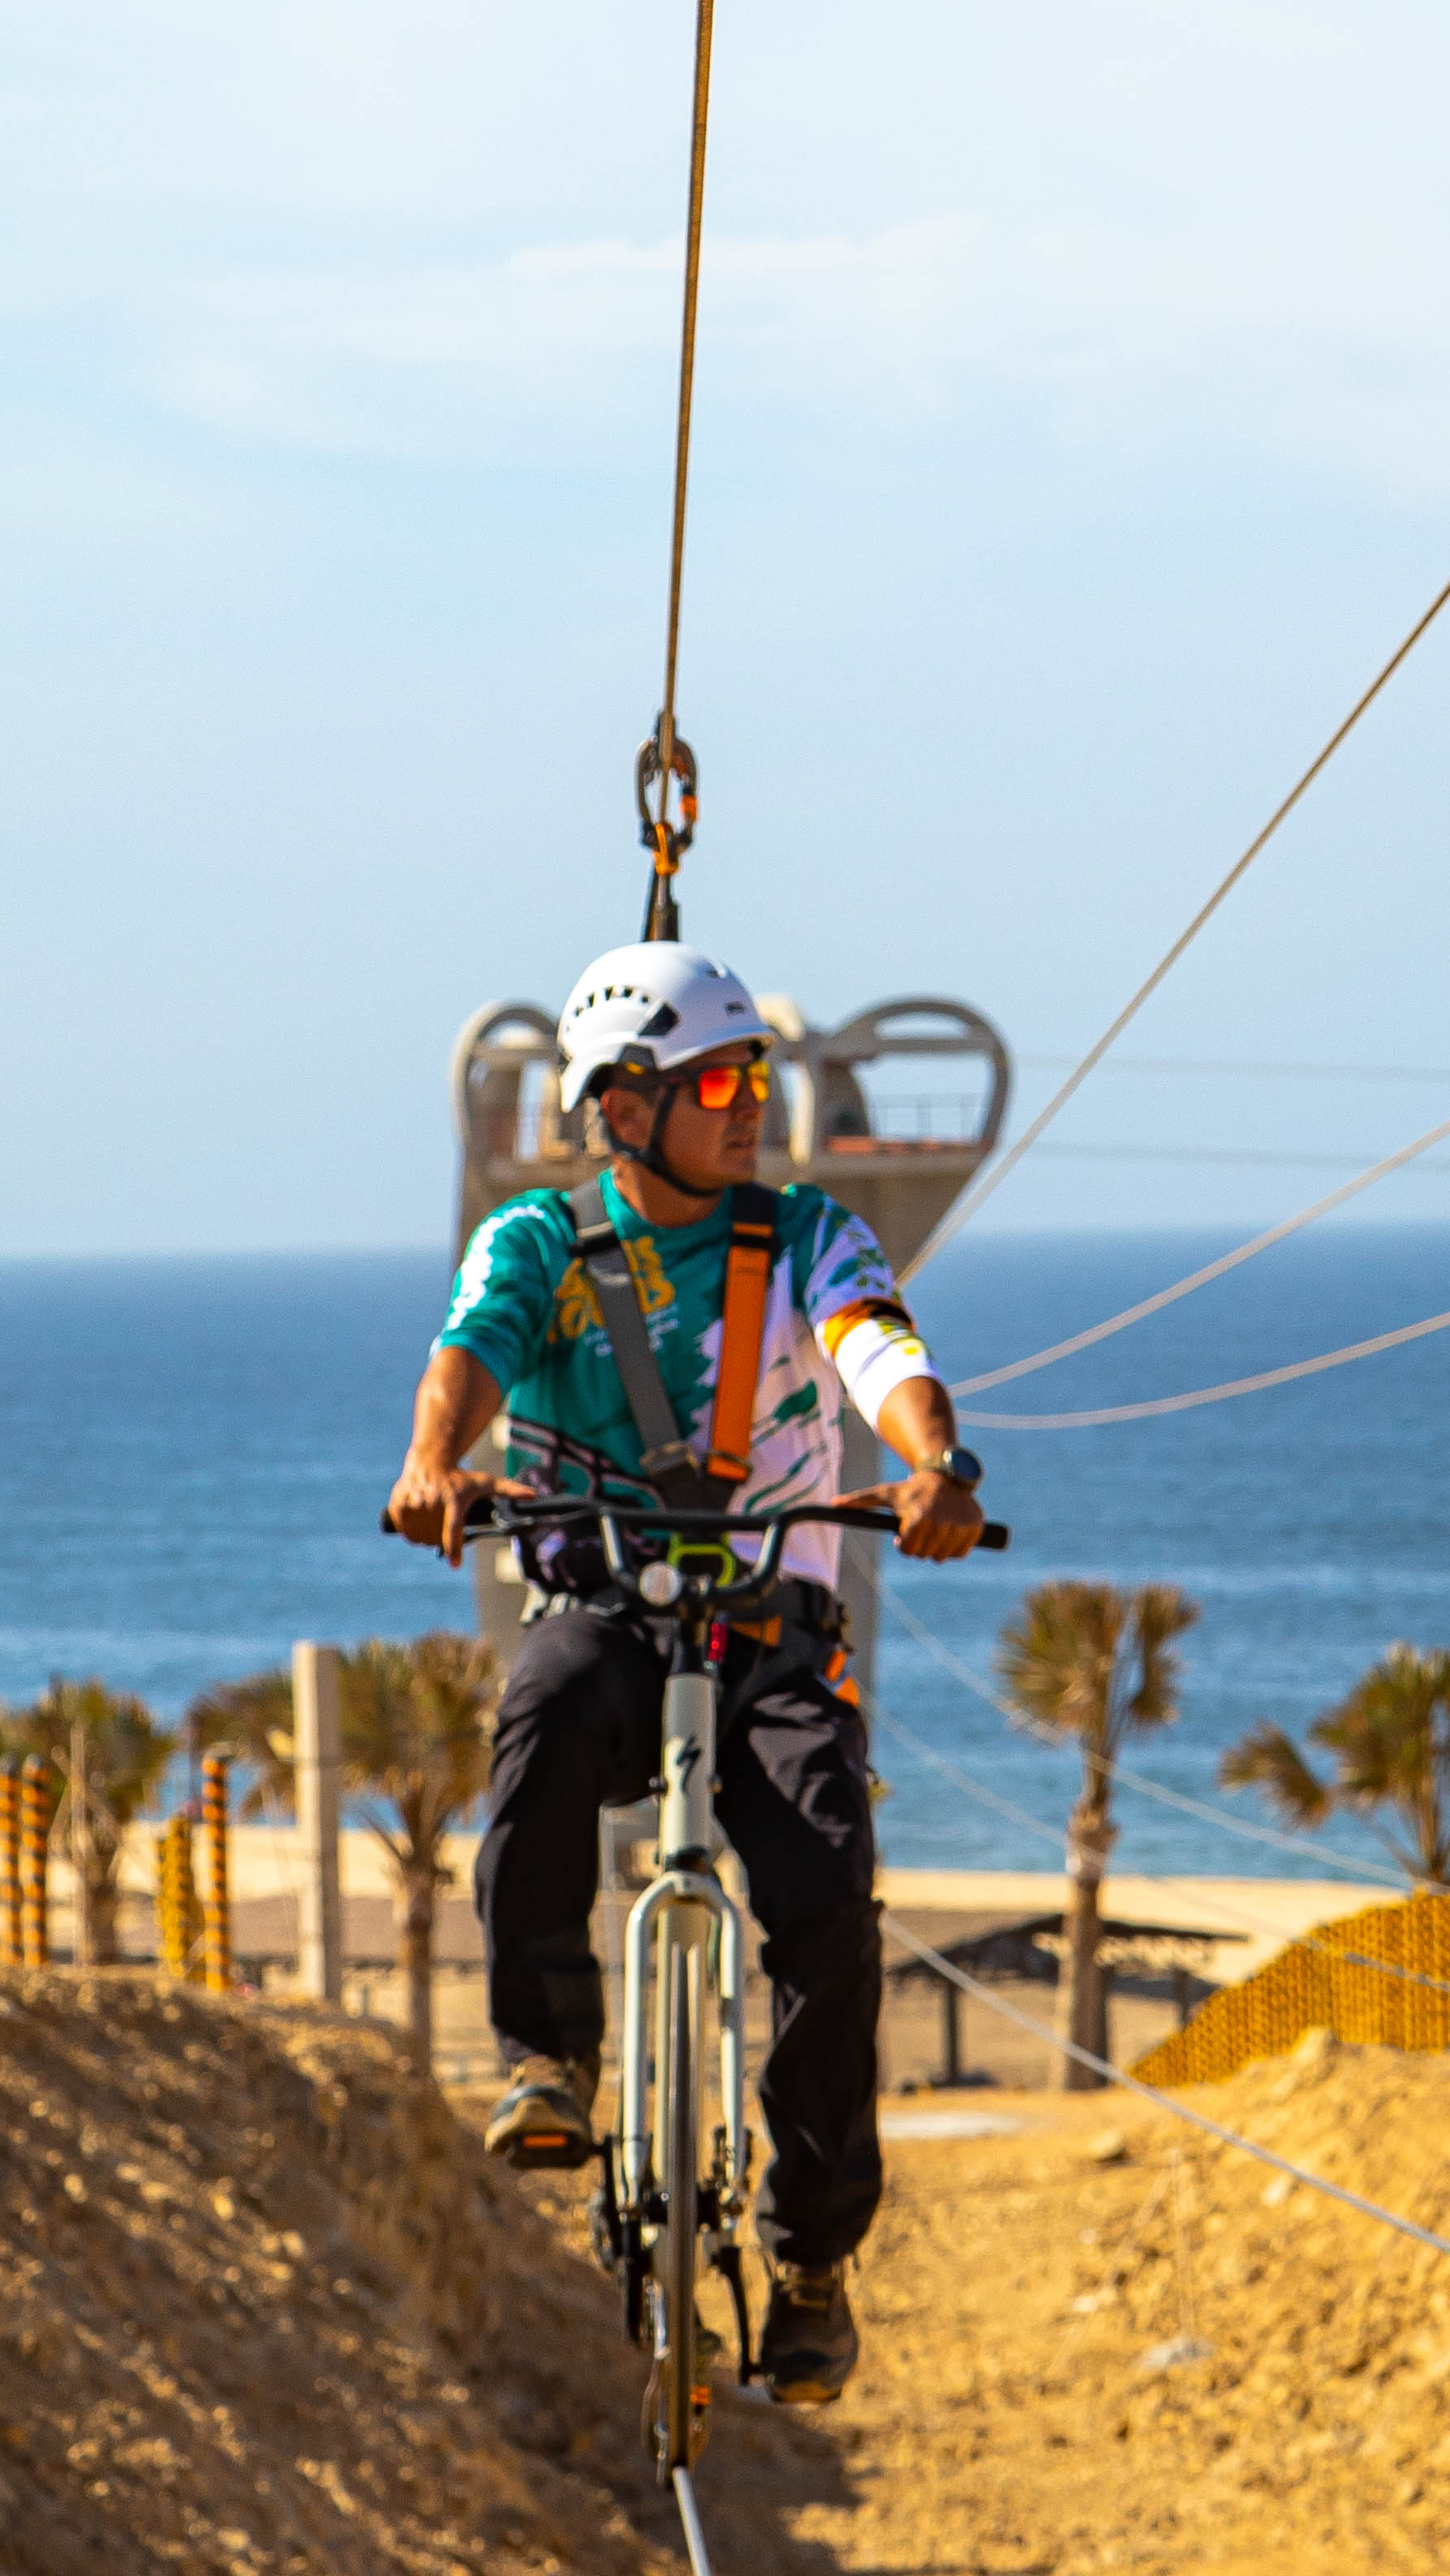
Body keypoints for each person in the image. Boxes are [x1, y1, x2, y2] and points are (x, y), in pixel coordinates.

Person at [387, 941, 988, 2409]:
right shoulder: (536, 1240)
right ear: (623, 1106)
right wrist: (432, 1462)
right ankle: (548, 2062)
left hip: (768, 1632)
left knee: (832, 1890)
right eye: (719, 1083)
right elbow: (469, 1354)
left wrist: (931, 1464)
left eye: (756, 1079)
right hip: (603, 1610)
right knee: (535, 1720)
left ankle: (813, 2263)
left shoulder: (808, 1238)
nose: (751, 1110)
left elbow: (876, 1349)